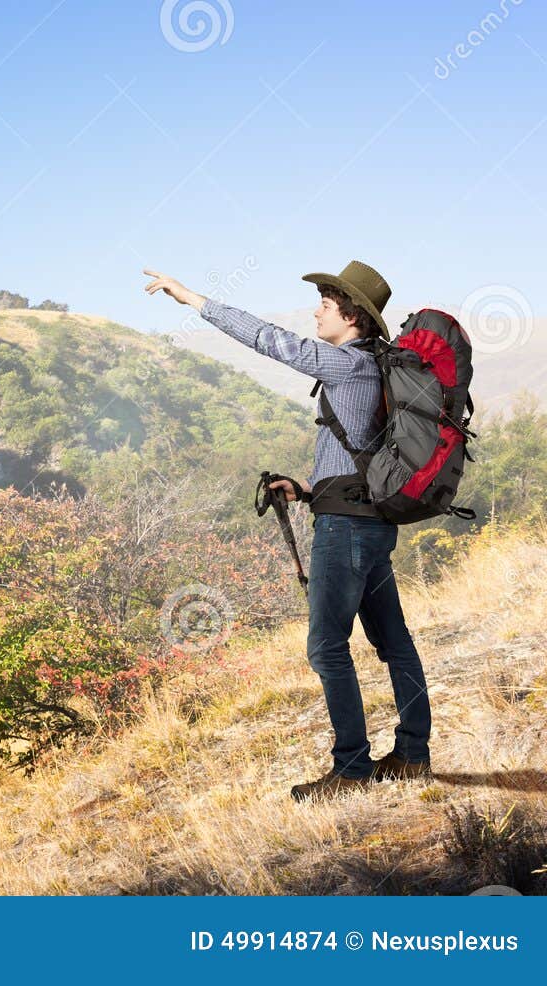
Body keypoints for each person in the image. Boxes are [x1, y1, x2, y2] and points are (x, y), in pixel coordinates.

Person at [143, 261, 433, 801]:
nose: (316, 310)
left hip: (345, 530)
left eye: (326, 304)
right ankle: (414, 755)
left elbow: (269, 340)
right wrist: (305, 488)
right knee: (395, 643)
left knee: (326, 647)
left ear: (352, 316)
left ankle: (351, 768)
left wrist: (194, 299)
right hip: (368, 522)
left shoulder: (346, 363)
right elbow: (359, 454)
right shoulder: (375, 367)